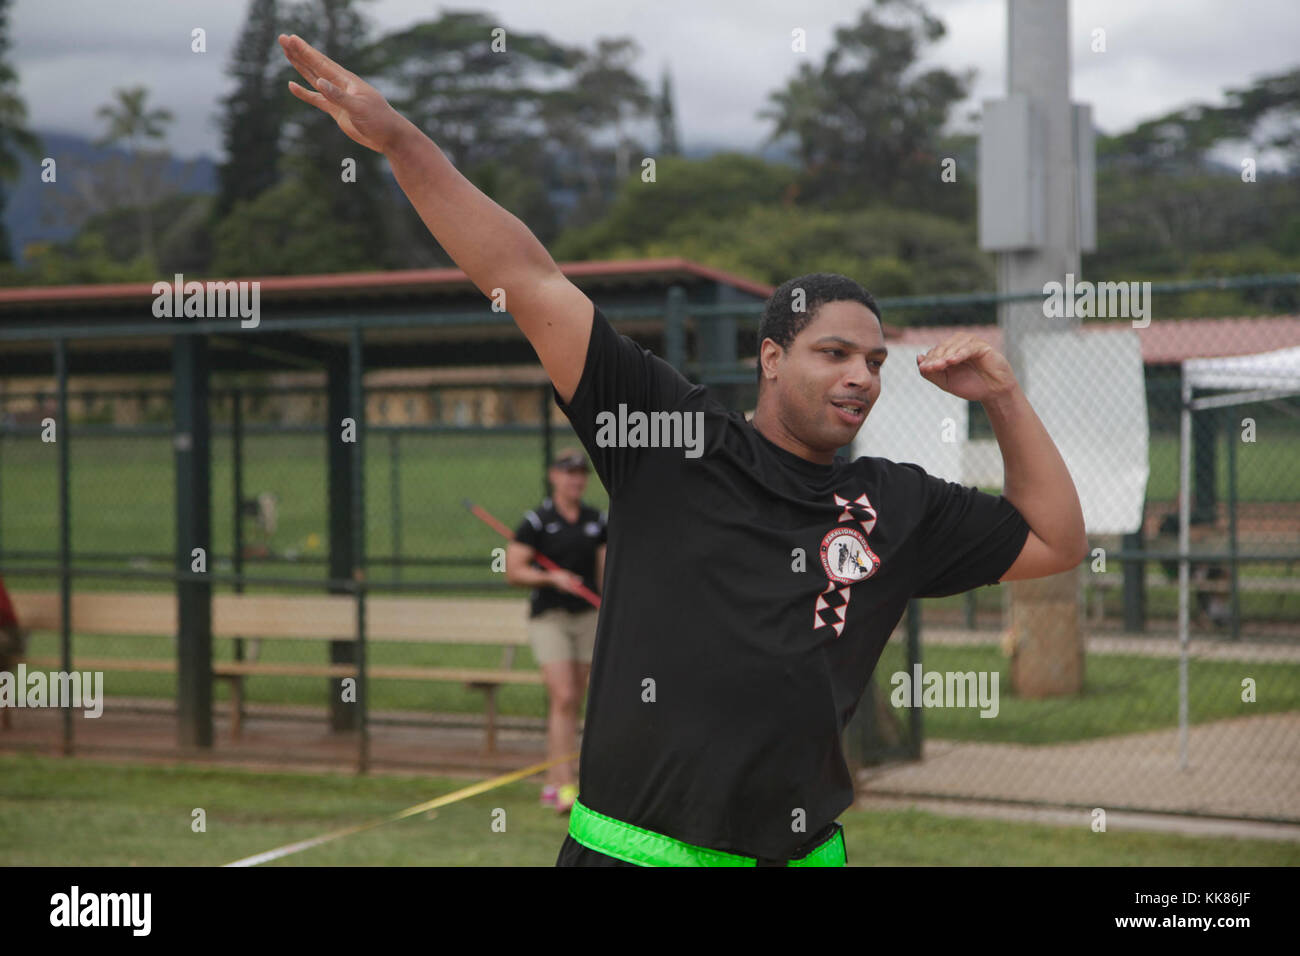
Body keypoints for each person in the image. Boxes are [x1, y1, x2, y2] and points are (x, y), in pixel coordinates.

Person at [277, 34, 1089, 866]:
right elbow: (528, 278)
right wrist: (404, 143)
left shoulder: (898, 504)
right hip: (635, 850)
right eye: (834, 353)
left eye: (874, 362)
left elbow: (1058, 539)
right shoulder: (671, 437)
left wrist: (1004, 397)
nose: (860, 377)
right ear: (772, 358)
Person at [505, 448, 606, 814]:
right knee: (563, 696)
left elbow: (605, 571)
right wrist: (552, 577)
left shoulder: (597, 520)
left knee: (576, 699)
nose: (575, 479)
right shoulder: (537, 521)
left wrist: (607, 600)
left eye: (581, 473)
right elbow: (514, 570)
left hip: (587, 617)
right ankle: (566, 786)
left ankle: (552, 781)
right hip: (549, 617)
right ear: (554, 476)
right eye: (568, 473)